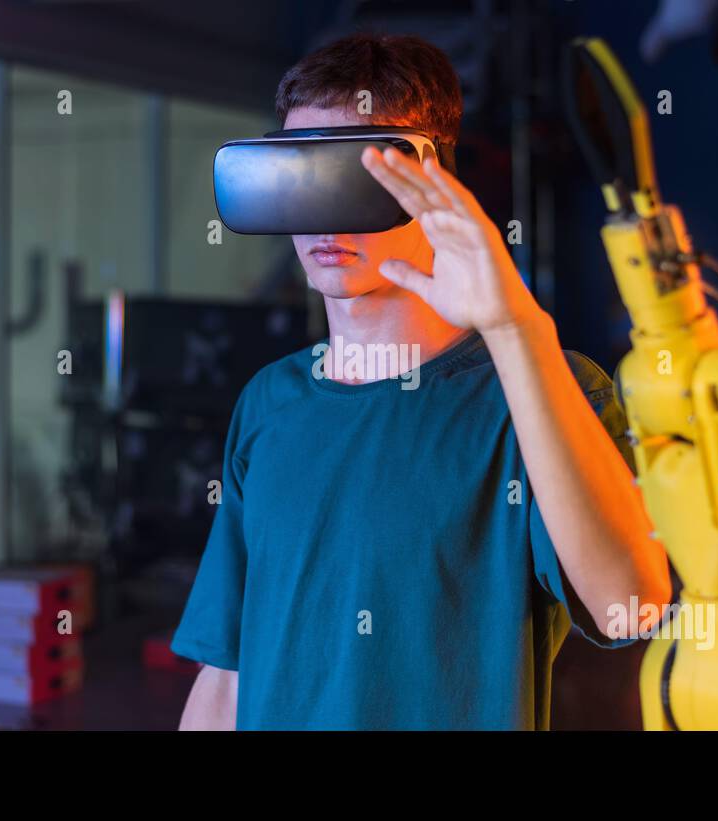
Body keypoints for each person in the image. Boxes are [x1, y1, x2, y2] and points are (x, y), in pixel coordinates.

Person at [172, 32, 670, 730]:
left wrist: (517, 330)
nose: (323, 218)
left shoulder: (536, 388)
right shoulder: (270, 403)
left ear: (433, 179)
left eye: (354, 177)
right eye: (298, 176)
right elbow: (226, 675)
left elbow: (632, 607)